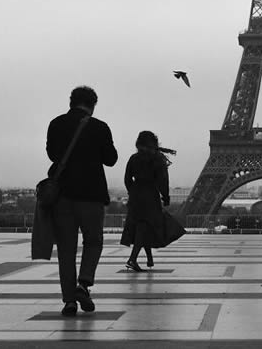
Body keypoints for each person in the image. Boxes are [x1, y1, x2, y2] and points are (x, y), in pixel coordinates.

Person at [46, 85, 117, 316]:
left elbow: (52, 154)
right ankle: (83, 283)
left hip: (63, 196)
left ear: (71, 101)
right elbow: (111, 159)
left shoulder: (56, 124)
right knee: (93, 242)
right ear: (93, 104)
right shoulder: (99, 127)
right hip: (91, 196)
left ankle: (68, 301)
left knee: (66, 250)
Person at [120, 131, 177, 271]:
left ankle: (149, 259)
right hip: (150, 196)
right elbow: (163, 181)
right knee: (145, 226)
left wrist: (132, 192)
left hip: (136, 196)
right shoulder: (157, 159)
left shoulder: (133, 158)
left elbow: (127, 179)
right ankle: (132, 259)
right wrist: (165, 196)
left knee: (142, 226)